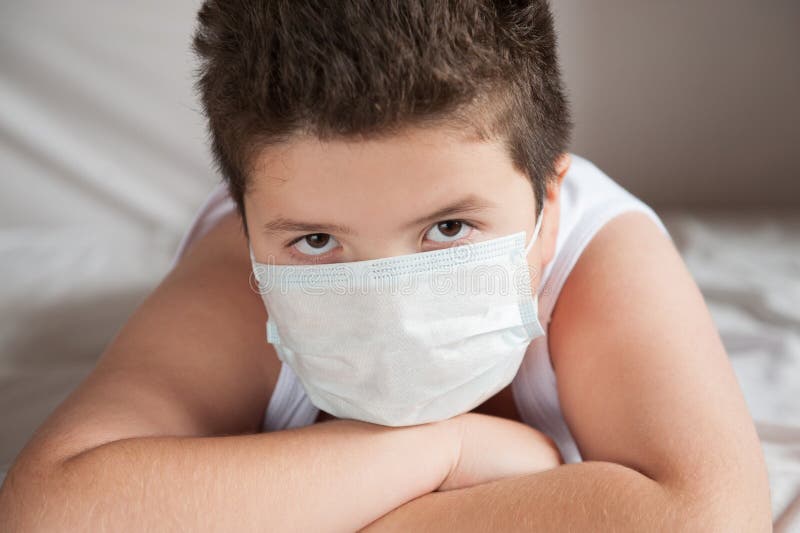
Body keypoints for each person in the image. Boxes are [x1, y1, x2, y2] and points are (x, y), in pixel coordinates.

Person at [0, 1, 771, 530]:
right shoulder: (237, 268)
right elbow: (52, 511)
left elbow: (708, 516)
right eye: (318, 243)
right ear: (248, 229)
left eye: (447, 226)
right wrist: (444, 451)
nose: (390, 303)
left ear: (548, 197)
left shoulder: (597, 253)